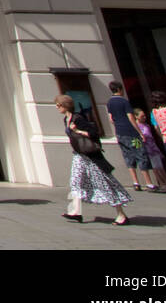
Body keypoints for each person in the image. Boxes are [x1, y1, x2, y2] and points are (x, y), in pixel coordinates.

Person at [56, 94, 131, 225]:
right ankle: (76, 212)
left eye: (58, 105)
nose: (57, 108)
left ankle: (121, 214)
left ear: (64, 105)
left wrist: (78, 131)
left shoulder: (78, 118)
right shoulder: (66, 119)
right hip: (79, 155)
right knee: (75, 181)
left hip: (91, 157)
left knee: (104, 183)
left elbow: (94, 133)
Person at [107, 81, 156, 191]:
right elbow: (131, 117)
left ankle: (136, 182)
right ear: (120, 89)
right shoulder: (124, 101)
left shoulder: (110, 102)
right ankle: (149, 183)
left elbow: (111, 119)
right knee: (140, 154)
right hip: (131, 132)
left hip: (120, 133)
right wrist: (139, 132)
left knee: (128, 156)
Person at [135, 108, 166, 192]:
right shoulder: (137, 127)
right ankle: (162, 183)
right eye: (142, 116)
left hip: (153, 147)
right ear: (136, 117)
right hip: (147, 148)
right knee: (155, 167)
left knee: (160, 166)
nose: (144, 117)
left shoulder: (146, 125)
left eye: (144, 115)